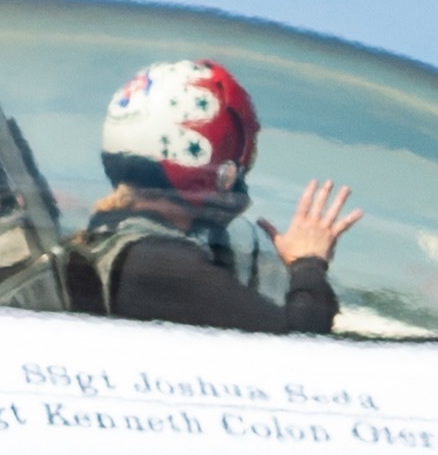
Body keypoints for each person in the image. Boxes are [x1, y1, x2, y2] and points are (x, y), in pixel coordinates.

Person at [66, 56, 360, 333]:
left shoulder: (107, 239)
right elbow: (299, 339)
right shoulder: (164, 266)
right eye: (236, 165)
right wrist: (308, 262)